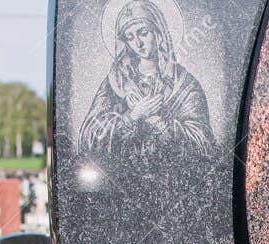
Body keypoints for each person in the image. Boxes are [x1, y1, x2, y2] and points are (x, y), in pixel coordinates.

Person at [79, 0, 214, 171]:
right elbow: (89, 138)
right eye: (130, 37)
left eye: (143, 33)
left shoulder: (183, 84)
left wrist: (157, 121)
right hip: (123, 177)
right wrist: (132, 116)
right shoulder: (116, 81)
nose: (138, 43)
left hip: (172, 178)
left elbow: (203, 143)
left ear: (159, 33)